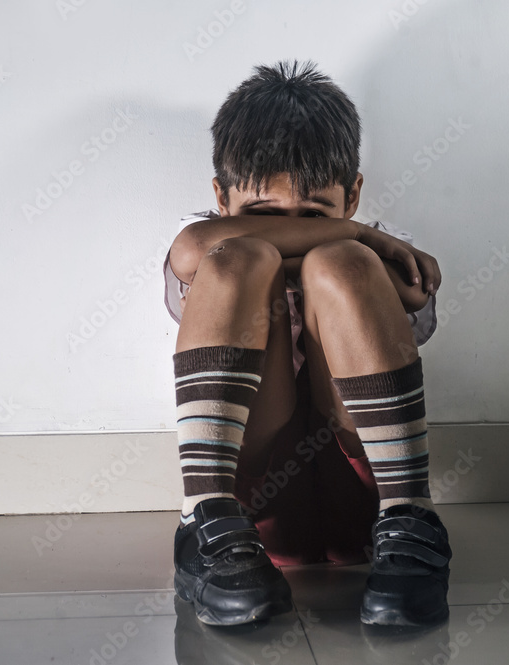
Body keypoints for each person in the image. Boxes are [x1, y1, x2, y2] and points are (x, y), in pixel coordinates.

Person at [163, 59, 452, 628]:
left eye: (314, 213)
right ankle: (205, 520)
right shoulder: (220, 249)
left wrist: (345, 248)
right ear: (221, 197)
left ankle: (411, 515)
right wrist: (359, 232)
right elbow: (192, 247)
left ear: (352, 195)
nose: (294, 226)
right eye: (264, 214)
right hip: (246, 513)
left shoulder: (374, 258)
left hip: (370, 498)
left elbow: (404, 291)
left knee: (342, 266)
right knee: (239, 261)